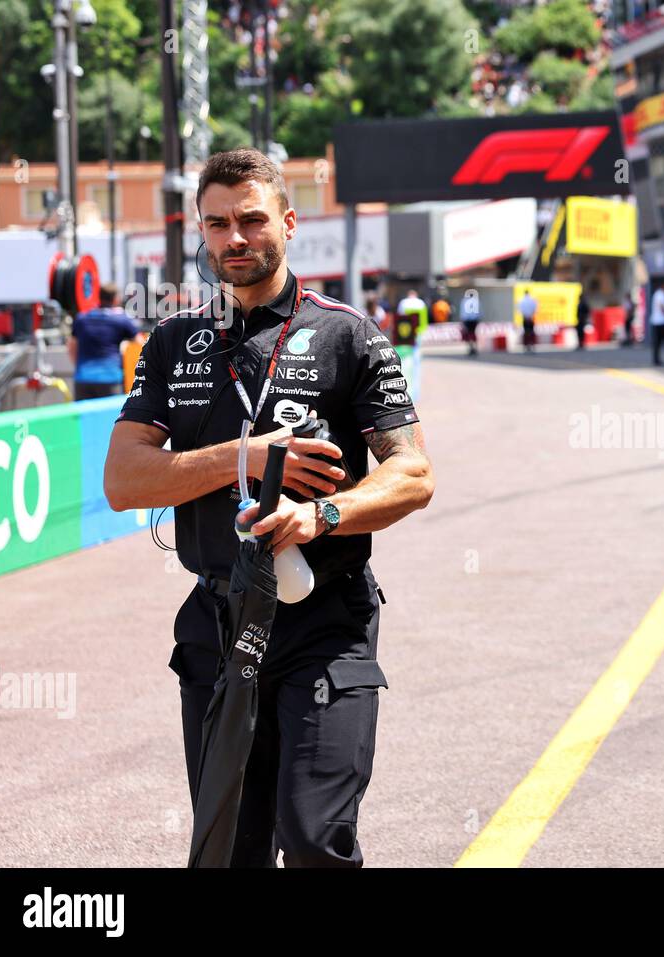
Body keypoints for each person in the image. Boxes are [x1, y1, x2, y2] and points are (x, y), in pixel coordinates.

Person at [103, 148, 435, 867]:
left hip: (324, 618)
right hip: (218, 624)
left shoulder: (349, 334)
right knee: (230, 848)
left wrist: (325, 516)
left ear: (288, 222)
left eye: (251, 219)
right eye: (217, 224)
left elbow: (412, 473)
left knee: (316, 839)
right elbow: (125, 481)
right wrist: (244, 457)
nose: (235, 238)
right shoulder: (172, 342)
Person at [70, 282, 141, 400]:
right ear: (115, 299)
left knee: (85, 418)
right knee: (111, 418)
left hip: (83, 378)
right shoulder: (121, 319)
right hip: (110, 379)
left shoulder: (81, 319)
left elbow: (71, 346)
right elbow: (140, 343)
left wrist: (79, 367)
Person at [396, 288, 428, 403]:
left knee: (406, 363)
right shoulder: (421, 303)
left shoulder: (403, 303)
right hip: (417, 333)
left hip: (406, 334)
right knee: (416, 364)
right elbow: (424, 321)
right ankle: (415, 395)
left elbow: (400, 319)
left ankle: (407, 393)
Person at [459, 287, 482, 357]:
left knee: (468, 334)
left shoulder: (464, 301)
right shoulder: (476, 301)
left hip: (467, 319)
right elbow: (479, 310)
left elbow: (463, 311)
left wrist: (462, 320)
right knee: (473, 333)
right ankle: (475, 347)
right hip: (475, 319)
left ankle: (471, 347)